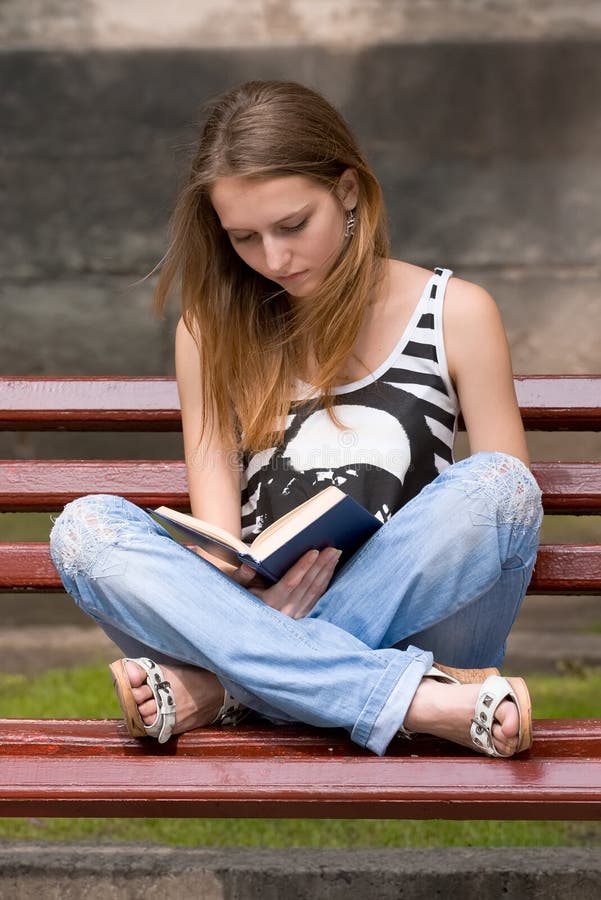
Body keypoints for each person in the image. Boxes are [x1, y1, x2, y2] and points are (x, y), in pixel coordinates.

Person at [49, 80, 543, 758]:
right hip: (272, 615)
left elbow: (506, 528)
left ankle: (226, 690)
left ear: (346, 190)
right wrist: (240, 585)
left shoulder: (456, 311)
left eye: (291, 226)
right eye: (244, 237)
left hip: (430, 627)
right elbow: (219, 538)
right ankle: (408, 699)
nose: (274, 260)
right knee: (83, 530)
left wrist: (260, 637)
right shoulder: (208, 330)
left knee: (500, 487)